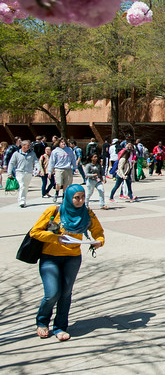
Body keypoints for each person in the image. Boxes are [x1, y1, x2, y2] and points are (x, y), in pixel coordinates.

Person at [29, 184, 104, 341]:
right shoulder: (54, 211)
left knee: (65, 293)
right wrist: (55, 238)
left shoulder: (87, 213)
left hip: (72, 258)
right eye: (76, 198)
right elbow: (35, 232)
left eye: (82, 197)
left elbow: (98, 231)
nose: (80, 201)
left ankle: (60, 327)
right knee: (52, 293)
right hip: (50, 257)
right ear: (69, 197)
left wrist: (98, 241)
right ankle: (42, 322)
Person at [8, 140, 37, 208]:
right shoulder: (16, 154)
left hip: (29, 172)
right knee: (22, 185)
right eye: (28, 145)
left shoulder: (32, 153)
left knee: (25, 187)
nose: (29, 147)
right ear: (23, 146)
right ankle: (22, 201)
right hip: (19, 172)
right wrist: (9, 173)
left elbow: (36, 161)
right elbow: (11, 163)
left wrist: (38, 169)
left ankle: (21, 198)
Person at [48, 138, 77, 202]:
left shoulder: (69, 150)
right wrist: (50, 171)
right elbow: (51, 162)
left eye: (64, 142)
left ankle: (64, 196)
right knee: (58, 183)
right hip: (59, 169)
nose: (63, 143)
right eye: (61, 142)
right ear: (59, 143)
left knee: (66, 184)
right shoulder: (55, 151)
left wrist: (75, 168)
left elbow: (73, 159)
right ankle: (56, 193)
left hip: (68, 169)